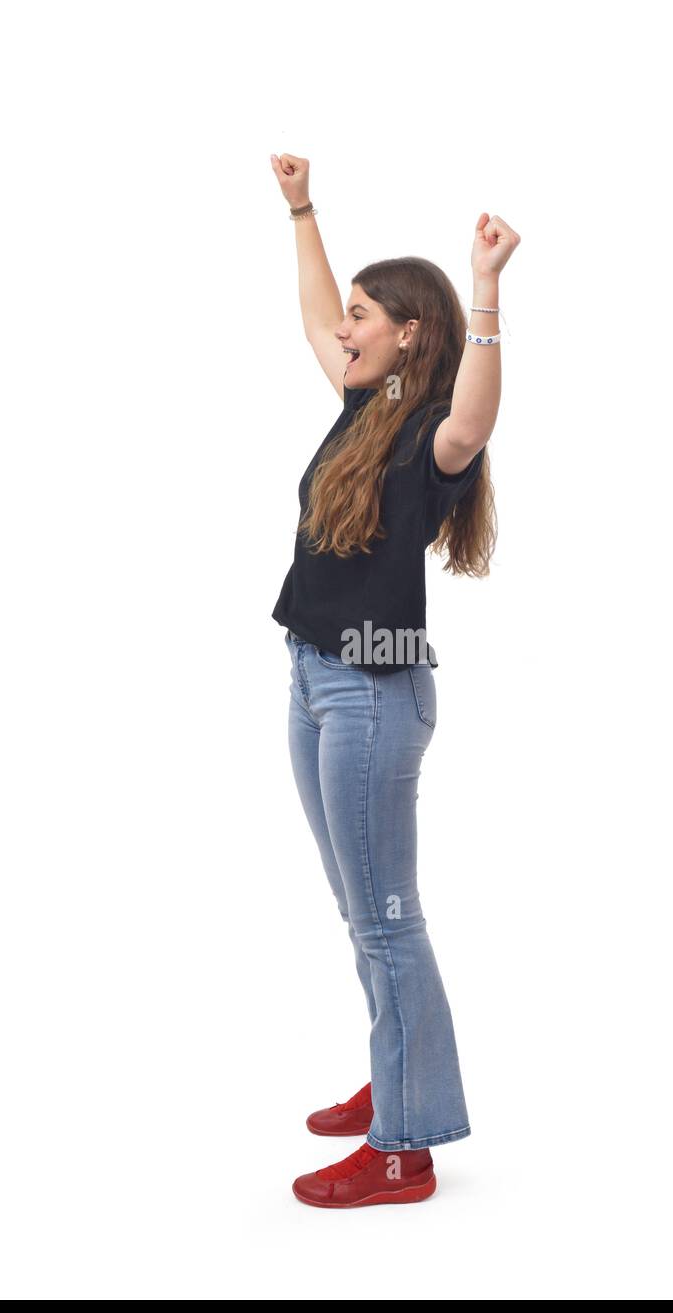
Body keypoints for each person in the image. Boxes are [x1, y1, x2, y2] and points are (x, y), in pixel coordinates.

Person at [269, 152, 520, 1208]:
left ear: (409, 332)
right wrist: (300, 209)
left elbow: (475, 419)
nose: (345, 326)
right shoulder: (361, 404)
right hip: (316, 676)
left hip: (372, 692)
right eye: (351, 315)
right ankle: (400, 1073)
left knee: (385, 915)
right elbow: (317, 312)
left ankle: (401, 1147)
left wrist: (485, 292)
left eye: (368, 314)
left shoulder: (426, 435)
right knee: (357, 909)